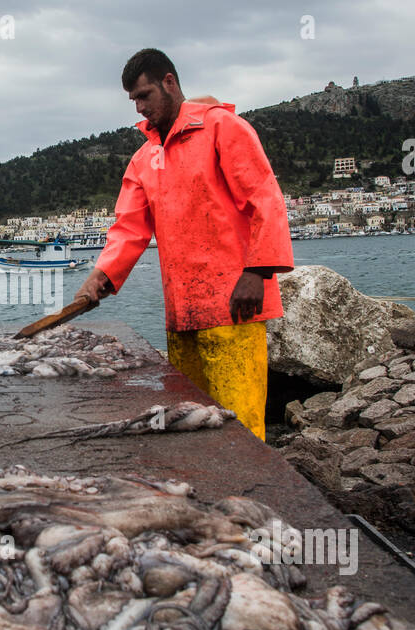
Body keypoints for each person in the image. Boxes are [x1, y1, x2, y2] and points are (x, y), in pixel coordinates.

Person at [75, 49, 293, 440]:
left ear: (169, 82)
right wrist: (101, 275)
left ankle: (252, 493)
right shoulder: (145, 158)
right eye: (134, 101)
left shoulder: (224, 128)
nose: (140, 108)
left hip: (235, 307)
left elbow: (266, 199)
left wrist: (257, 272)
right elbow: (129, 228)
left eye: (145, 95)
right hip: (182, 314)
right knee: (189, 422)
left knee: (237, 421)